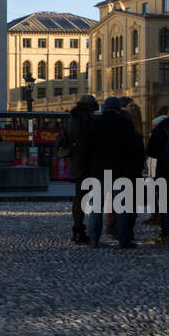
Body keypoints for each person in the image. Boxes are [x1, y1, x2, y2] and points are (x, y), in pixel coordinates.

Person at [86, 96, 144, 249]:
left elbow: (88, 147)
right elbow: (134, 148)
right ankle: (124, 240)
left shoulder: (96, 123)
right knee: (121, 207)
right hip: (120, 171)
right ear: (118, 108)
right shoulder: (125, 123)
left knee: (96, 207)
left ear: (105, 107)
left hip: (99, 170)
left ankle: (94, 240)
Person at [58, 95, 97, 243]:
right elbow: (85, 145)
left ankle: (78, 228)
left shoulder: (72, 121)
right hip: (84, 165)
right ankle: (79, 230)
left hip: (77, 164)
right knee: (81, 198)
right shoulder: (81, 124)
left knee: (80, 197)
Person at [148, 106, 169, 244]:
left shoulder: (160, 128)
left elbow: (150, 151)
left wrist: (162, 155)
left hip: (164, 169)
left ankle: (165, 234)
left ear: (168, 114)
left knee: (164, 204)